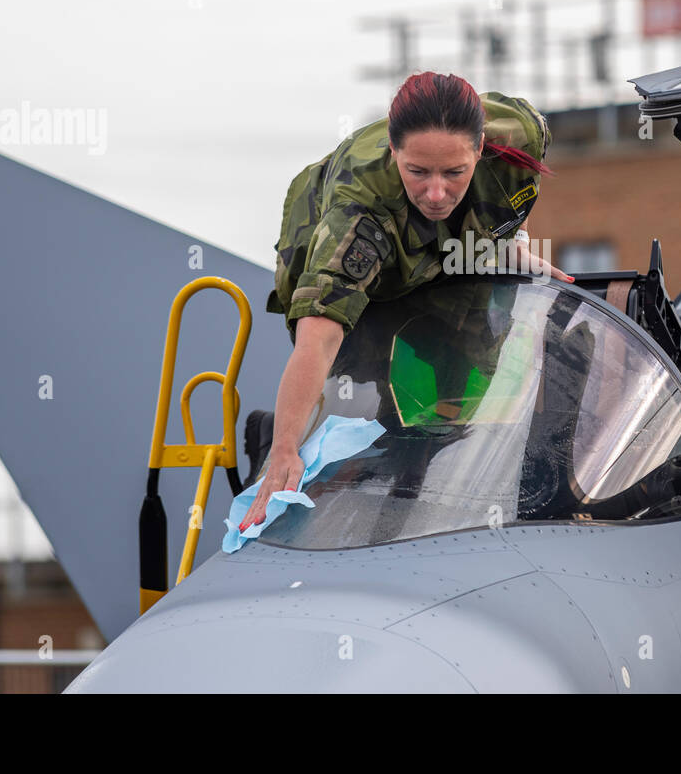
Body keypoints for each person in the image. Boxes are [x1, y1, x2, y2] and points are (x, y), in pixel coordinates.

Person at [239, 71, 571, 531]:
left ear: (480, 150)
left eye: (454, 172)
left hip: (451, 251)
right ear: (395, 152)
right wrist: (282, 449)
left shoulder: (521, 137)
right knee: (365, 379)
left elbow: (499, 206)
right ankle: (279, 438)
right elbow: (320, 339)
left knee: (467, 379)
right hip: (340, 236)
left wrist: (504, 243)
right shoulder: (357, 214)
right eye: (418, 171)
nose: (436, 193)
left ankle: (416, 474)